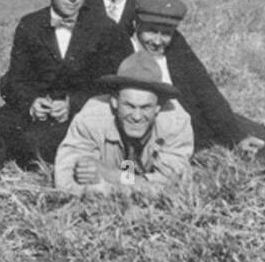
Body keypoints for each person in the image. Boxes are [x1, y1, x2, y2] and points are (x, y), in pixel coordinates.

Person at [0, 0, 133, 188]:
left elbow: (114, 84)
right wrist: (31, 102)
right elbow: (15, 80)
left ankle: (51, 166)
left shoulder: (105, 29)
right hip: (35, 114)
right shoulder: (30, 25)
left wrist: (72, 103)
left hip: (83, 114)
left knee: (42, 142)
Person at [130, 0, 265, 156]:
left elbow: (206, 92)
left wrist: (236, 137)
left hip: (194, 122)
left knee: (263, 139)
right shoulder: (121, 49)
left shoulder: (176, 45)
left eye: (166, 33)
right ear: (136, 25)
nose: (157, 41)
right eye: (151, 31)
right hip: (157, 132)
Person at [55, 52, 194, 196]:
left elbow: (172, 185)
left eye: (145, 107)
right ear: (115, 102)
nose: (137, 116)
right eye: (129, 106)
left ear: (158, 107)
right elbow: (64, 181)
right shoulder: (92, 116)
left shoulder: (175, 121)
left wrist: (110, 176)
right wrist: (136, 185)